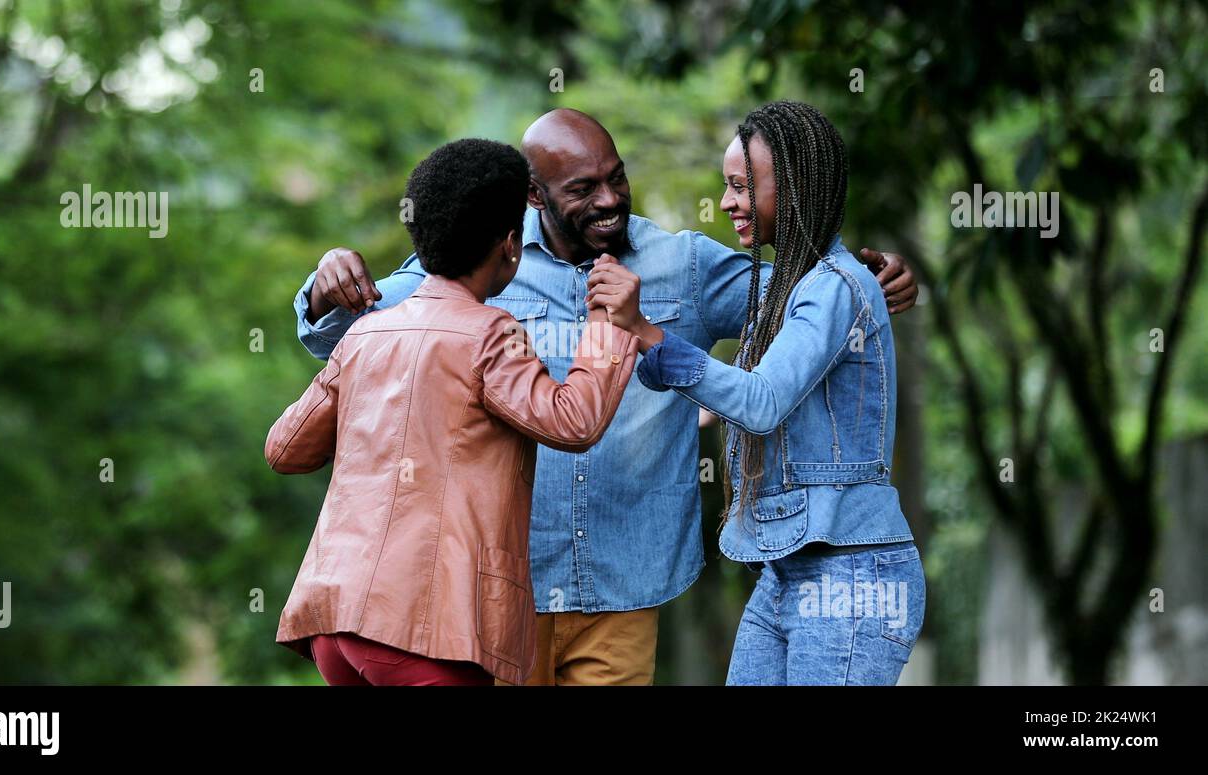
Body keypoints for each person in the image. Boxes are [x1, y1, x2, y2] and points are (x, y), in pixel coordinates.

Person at [290, 109, 919, 685]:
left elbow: (799, 294)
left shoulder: (685, 266)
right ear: (534, 196)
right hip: (506, 588)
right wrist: (325, 287)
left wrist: (870, 276)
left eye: (617, 178)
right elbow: (360, 332)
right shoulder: (483, 258)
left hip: (629, 582)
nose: (610, 199)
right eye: (583, 190)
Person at [264, 138, 639, 686]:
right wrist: (609, 322)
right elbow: (572, 420)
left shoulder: (366, 333)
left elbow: (284, 449)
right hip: (426, 632)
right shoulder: (492, 334)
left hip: (337, 625)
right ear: (510, 245)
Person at [605, 101, 925, 684]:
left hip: (850, 573)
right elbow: (739, 397)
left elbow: (760, 402)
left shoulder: (833, 288)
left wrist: (649, 333)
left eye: (741, 187)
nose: (727, 203)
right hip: (787, 569)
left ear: (796, 187)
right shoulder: (785, 291)